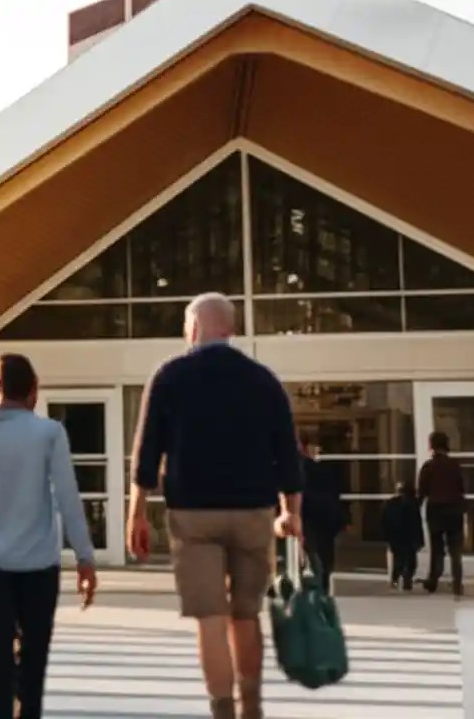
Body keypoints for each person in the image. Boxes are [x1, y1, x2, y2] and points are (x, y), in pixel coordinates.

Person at [127, 293, 303, 719]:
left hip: (193, 514)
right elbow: (287, 453)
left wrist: (136, 513)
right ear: (232, 329)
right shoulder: (263, 380)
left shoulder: (170, 375)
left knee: (210, 616)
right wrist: (290, 510)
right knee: (245, 614)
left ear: (192, 328)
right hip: (253, 512)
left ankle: (222, 709)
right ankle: (252, 707)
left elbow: (147, 450)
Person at [0, 354, 97, 719]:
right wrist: (84, 558)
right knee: (32, 662)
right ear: (33, 391)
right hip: (37, 565)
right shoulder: (49, 433)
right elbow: (67, 496)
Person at [419, 431, 466, 596]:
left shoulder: (428, 466)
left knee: (437, 548)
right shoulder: (455, 465)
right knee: (455, 550)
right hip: (454, 510)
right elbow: (461, 488)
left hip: (436, 510)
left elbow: (422, 491)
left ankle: (433, 581)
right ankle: (457, 583)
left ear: (432, 445)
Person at [299, 437, 346, 594]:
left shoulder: (301, 469)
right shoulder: (323, 471)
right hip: (321, 520)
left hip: (310, 520)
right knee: (322, 559)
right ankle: (321, 589)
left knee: (313, 557)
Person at [381, 482, 424, 591]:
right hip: (409, 536)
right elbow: (417, 523)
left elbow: (385, 520)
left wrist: (386, 535)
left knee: (398, 558)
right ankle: (407, 579)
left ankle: (395, 578)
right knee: (410, 560)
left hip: (395, 535)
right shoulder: (413, 504)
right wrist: (420, 539)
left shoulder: (391, 504)